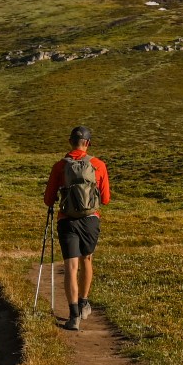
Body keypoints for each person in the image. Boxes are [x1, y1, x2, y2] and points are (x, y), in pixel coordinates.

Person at [43, 125, 111, 330]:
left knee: (71, 266)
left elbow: (48, 199)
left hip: (67, 220)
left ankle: (73, 316)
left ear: (70, 142)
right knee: (87, 260)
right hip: (91, 220)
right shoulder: (99, 165)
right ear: (88, 143)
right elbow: (106, 199)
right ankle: (84, 302)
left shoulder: (59, 166)